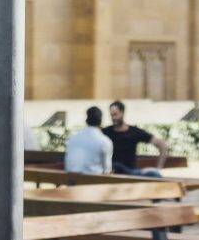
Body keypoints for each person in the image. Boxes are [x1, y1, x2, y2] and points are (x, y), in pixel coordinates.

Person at [103, 102, 171, 239]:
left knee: (154, 174)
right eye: (111, 115)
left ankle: (157, 205)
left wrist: (158, 167)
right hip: (114, 176)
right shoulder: (107, 132)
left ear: (122, 113)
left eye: (115, 114)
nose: (113, 118)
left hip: (131, 175)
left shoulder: (134, 132)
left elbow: (162, 145)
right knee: (116, 165)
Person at [63, 106, 113, 175]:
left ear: (86, 120)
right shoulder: (104, 141)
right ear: (101, 121)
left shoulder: (73, 138)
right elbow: (107, 170)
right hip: (93, 181)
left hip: (71, 180)